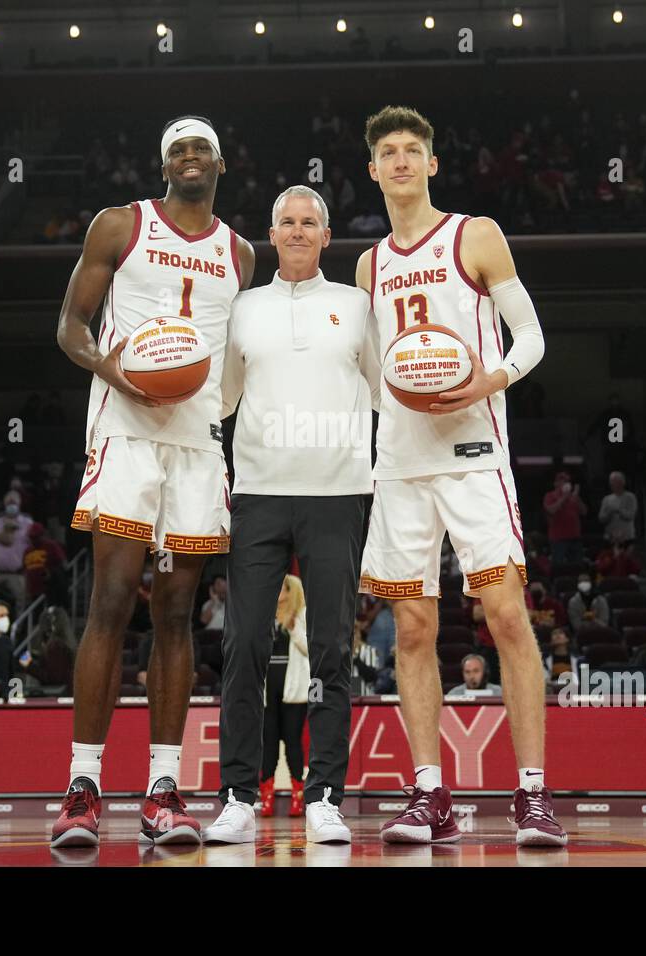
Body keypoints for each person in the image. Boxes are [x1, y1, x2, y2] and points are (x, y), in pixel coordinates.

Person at [354, 105, 563, 847]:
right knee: (411, 629)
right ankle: (429, 795)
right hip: (401, 466)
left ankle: (533, 794)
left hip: (475, 456)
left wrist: (490, 380)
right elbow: (377, 376)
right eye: (389, 152)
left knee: (506, 616)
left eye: (414, 149)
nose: (402, 160)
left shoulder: (475, 234)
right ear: (373, 169)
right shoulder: (367, 266)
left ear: (433, 163)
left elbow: (533, 334)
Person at [52, 114, 256, 848]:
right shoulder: (120, 225)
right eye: (178, 150)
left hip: (198, 443)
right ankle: (83, 788)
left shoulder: (241, 252)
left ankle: (163, 791)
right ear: (163, 164)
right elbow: (70, 328)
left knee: (176, 614)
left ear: (221, 165)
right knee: (110, 601)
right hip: (128, 433)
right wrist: (118, 371)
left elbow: (238, 359)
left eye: (202, 148)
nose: (190, 157)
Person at [206, 185, 376, 846]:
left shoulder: (357, 306)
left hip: (338, 493)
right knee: (243, 644)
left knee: (333, 649)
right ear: (271, 236)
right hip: (259, 494)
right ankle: (238, 795)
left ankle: (326, 795)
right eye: (288, 222)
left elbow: (386, 392)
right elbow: (217, 402)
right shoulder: (243, 309)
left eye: (310, 222)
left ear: (327, 236)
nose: (299, 231)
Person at [252, 576, 315, 825]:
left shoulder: (302, 614)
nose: (277, 591)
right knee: (268, 745)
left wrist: (293, 627)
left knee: (293, 743)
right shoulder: (267, 614)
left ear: (291, 592)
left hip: (294, 691)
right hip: (268, 691)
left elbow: (310, 647)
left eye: (282, 587)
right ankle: (266, 797)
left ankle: (298, 795)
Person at [542, 471, 586, 566]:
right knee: (559, 566)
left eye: (566, 481)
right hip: (558, 539)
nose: (565, 483)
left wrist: (576, 497)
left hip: (574, 538)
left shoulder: (573, 497)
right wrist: (564, 497)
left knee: (577, 565)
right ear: (556, 483)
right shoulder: (550, 496)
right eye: (561, 481)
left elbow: (584, 511)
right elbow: (551, 510)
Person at [598, 471, 638, 544]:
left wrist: (618, 510)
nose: (611, 484)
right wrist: (609, 513)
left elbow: (631, 515)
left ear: (622, 482)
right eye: (611, 481)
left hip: (626, 537)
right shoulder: (606, 499)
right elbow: (601, 518)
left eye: (614, 481)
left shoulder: (630, 497)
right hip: (610, 537)